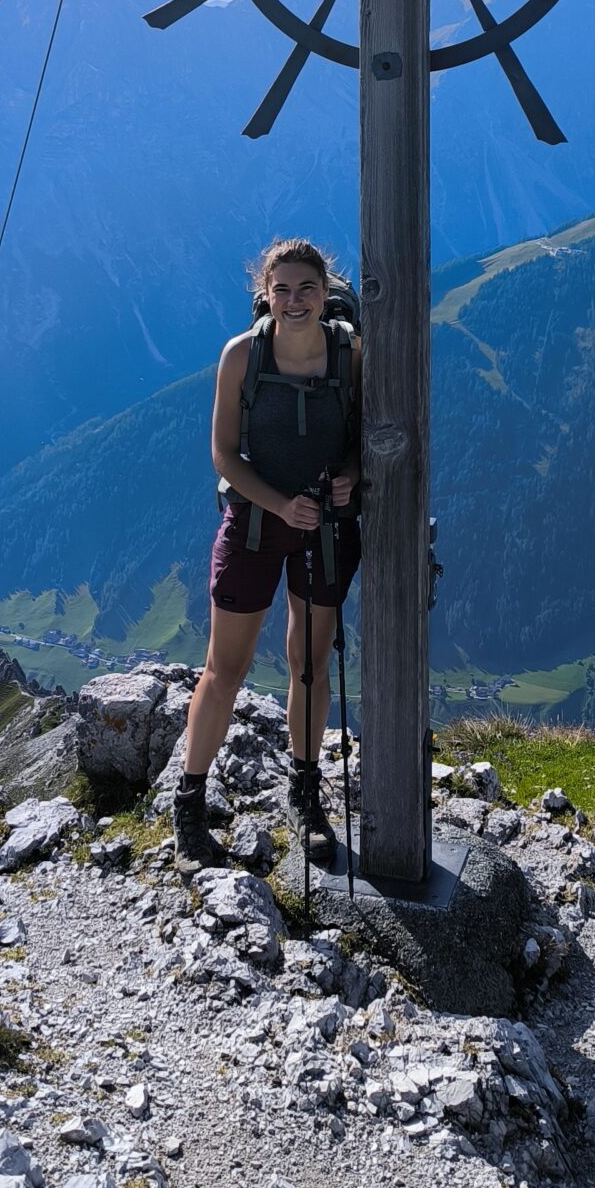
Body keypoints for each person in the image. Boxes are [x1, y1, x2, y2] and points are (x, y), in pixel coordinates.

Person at [172, 238, 362, 879]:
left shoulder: (350, 354)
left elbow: (367, 436)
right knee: (223, 670)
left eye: (305, 288)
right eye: (281, 290)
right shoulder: (241, 356)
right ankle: (190, 803)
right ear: (266, 292)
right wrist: (282, 505)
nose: (294, 301)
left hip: (323, 526)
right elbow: (224, 454)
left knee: (309, 664)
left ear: (325, 290)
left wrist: (350, 478)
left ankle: (305, 797)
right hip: (257, 523)